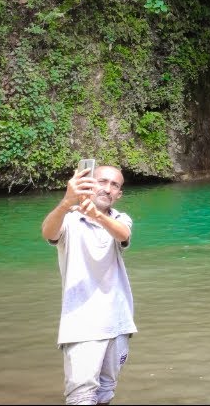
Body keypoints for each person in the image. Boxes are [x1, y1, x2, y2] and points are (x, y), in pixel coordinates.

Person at [41, 162, 136, 405]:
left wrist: (96, 215)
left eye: (114, 185)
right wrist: (66, 202)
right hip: (81, 324)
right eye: (102, 181)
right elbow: (48, 233)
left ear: (119, 194)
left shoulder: (120, 219)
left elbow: (123, 234)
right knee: (81, 397)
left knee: (106, 391)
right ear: (89, 183)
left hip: (118, 322)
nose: (107, 189)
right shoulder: (70, 220)